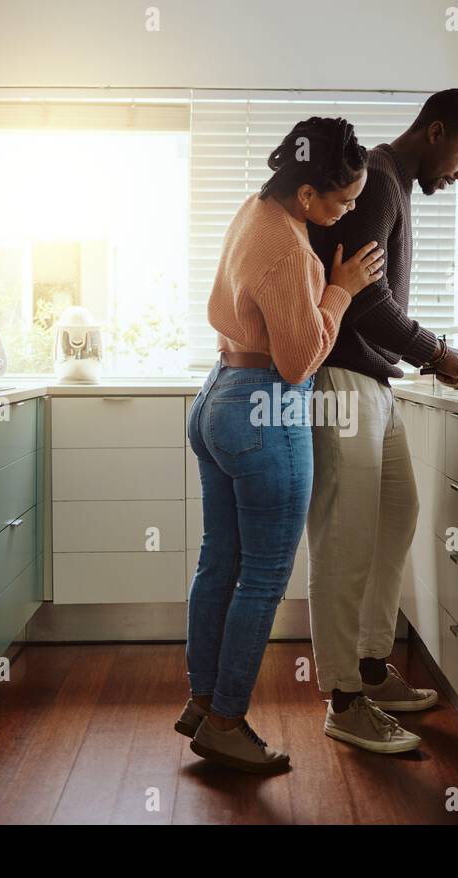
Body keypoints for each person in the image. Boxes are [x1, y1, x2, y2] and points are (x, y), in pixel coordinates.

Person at [178, 118, 385, 774]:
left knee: (219, 562)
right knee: (264, 576)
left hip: (217, 399)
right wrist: (341, 291)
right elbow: (299, 363)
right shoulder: (294, 249)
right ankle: (227, 724)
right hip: (266, 407)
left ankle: (202, 699)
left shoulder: (254, 209)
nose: (347, 212)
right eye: (342, 200)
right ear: (307, 195)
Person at [305, 89, 458, 754]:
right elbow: (364, 304)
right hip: (342, 379)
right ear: (436, 130)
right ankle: (344, 701)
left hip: (372, 382)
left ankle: (367, 666)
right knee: (347, 535)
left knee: (395, 515)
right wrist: (439, 353)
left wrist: (430, 355)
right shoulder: (380, 182)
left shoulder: (393, 185)